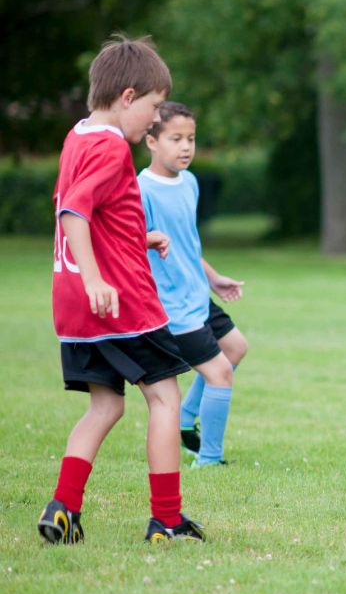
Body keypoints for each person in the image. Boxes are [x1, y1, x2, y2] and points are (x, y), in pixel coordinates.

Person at [40, 35, 205, 544]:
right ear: (128, 97)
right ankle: (167, 519)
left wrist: (137, 236)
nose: (153, 122)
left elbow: (91, 209)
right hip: (118, 299)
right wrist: (96, 277)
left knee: (106, 405)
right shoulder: (112, 147)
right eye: (153, 109)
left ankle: (63, 509)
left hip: (73, 304)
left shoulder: (78, 136)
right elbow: (74, 212)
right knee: (165, 397)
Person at [138, 101, 248, 467]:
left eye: (191, 138)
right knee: (220, 374)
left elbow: (188, 245)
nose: (186, 147)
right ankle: (209, 459)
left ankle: (186, 419)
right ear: (152, 141)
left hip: (197, 294)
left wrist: (213, 278)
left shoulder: (190, 182)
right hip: (172, 306)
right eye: (176, 139)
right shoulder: (141, 190)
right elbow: (127, 245)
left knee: (236, 348)